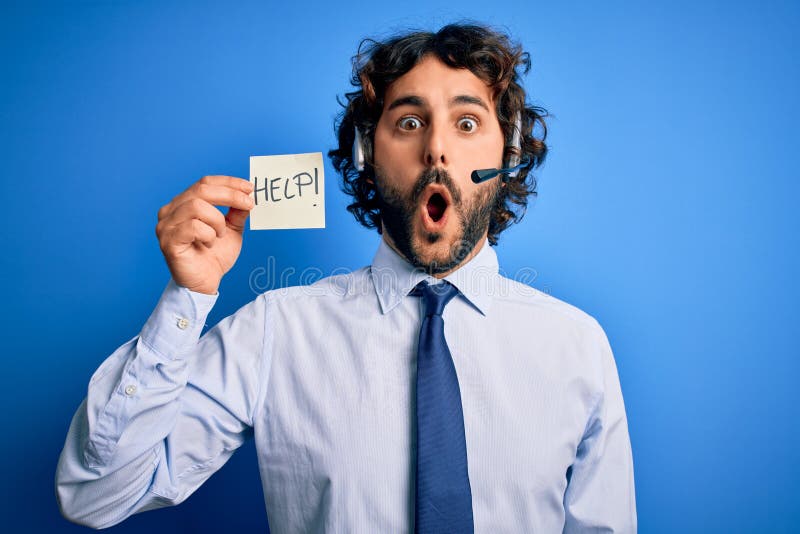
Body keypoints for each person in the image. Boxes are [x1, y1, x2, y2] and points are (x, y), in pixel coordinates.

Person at [56, 23, 637, 532]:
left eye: (466, 122)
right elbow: (96, 496)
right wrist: (189, 296)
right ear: (366, 152)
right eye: (408, 121)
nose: (436, 149)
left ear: (506, 149)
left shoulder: (577, 348)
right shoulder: (275, 331)